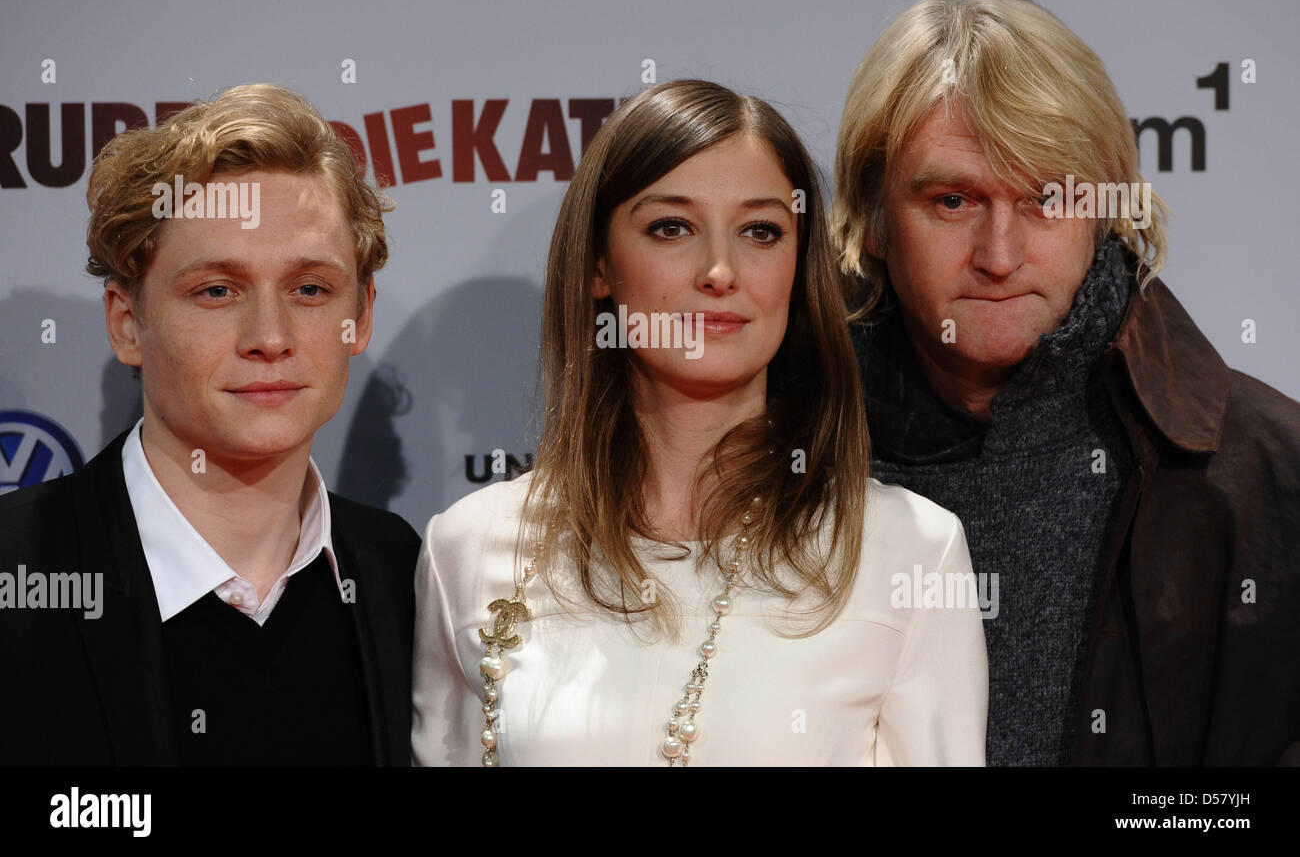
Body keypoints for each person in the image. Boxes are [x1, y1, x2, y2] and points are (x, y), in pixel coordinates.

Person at [411, 79, 987, 766]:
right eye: (671, 228)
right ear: (600, 265)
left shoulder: (910, 553)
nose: (720, 271)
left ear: (798, 271)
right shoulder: (467, 550)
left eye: (760, 232)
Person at [831, 0, 1300, 766]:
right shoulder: (770, 457)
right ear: (875, 219)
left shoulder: (1270, 476)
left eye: (1047, 199)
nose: (1000, 254)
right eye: (953, 200)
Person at [0, 84, 420, 765]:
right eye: (217, 291)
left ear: (361, 315)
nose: (270, 337)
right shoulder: (19, 571)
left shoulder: (402, 573)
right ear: (127, 322)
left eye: (310, 289)